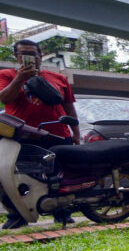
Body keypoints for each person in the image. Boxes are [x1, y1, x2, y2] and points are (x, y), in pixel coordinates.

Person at [0, 39, 81, 229]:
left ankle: (62, 212)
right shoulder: (7, 75)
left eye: (32, 54)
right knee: (13, 176)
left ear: (40, 56)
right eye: (23, 54)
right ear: (16, 57)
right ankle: (16, 215)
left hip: (57, 135)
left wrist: (76, 132)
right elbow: (4, 99)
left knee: (59, 175)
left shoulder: (58, 78)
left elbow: (69, 107)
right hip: (22, 137)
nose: (29, 57)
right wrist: (20, 79)